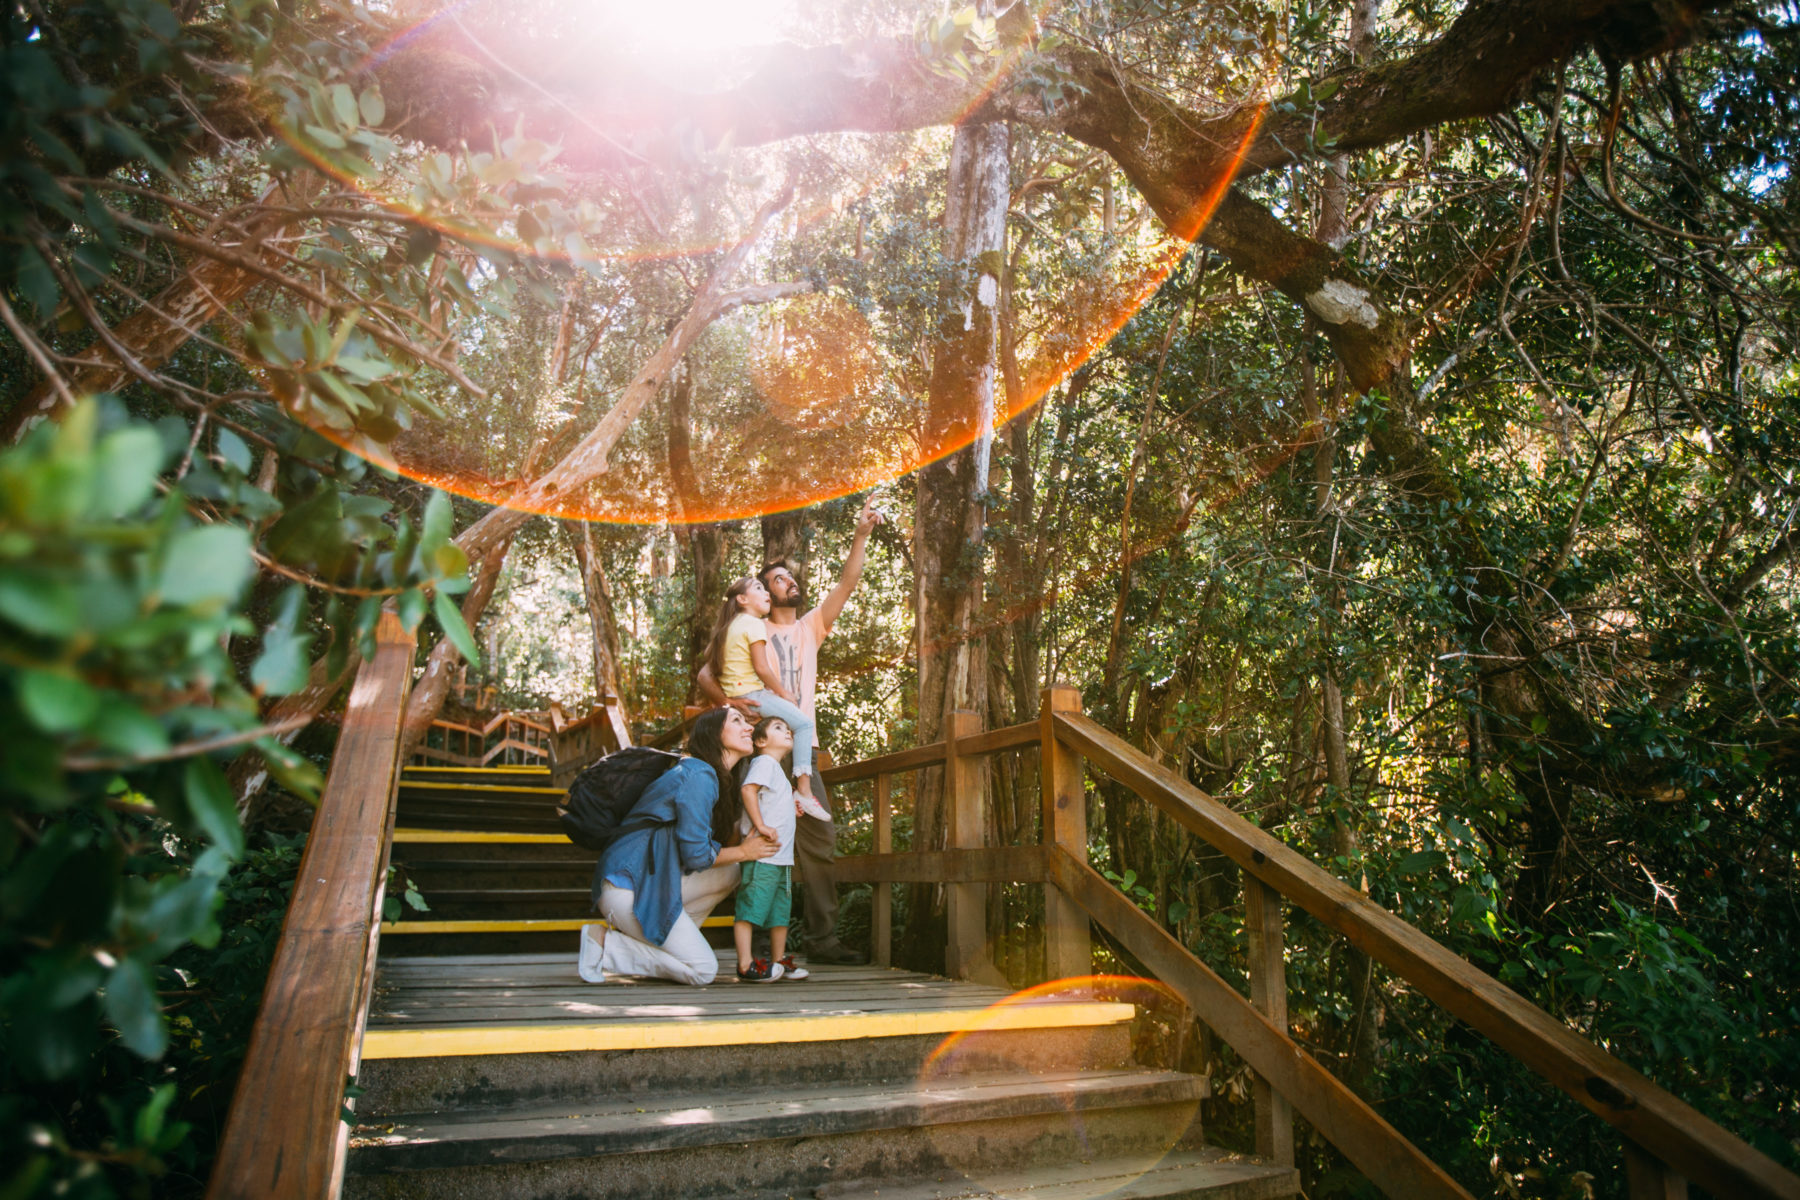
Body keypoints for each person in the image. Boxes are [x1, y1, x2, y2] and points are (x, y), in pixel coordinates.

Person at [697, 496, 883, 966]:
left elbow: (848, 582)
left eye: (791, 577)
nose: (789, 582)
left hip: (803, 749)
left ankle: (822, 939)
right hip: (756, 752)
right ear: (762, 591)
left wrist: (861, 534)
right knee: (754, 835)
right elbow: (704, 675)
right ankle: (755, 942)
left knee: (820, 842)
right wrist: (729, 705)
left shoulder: (809, 628)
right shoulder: (745, 629)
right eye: (778, 579)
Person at [579, 707, 777, 986]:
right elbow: (696, 855)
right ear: (713, 734)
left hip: (651, 882)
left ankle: (670, 944)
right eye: (737, 721)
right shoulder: (699, 774)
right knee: (703, 971)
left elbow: (703, 846)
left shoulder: (707, 776)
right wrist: (746, 851)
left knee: (731, 872)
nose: (749, 728)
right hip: (628, 886)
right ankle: (607, 947)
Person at [702, 575, 820, 802]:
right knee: (804, 724)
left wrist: (728, 700)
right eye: (759, 588)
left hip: (738, 696)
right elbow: (762, 667)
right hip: (754, 695)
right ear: (742, 599)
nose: (766, 593)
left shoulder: (728, 627)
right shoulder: (754, 624)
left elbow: (711, 667)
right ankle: (804, 790)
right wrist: (784, 693)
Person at [731, 716, 829, 982]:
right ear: (761, 741)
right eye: (778, 728)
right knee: (750, 909)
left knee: (779, 914)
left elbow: (769, 800)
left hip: (780, 857)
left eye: (788, 729)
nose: (787, 732)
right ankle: (744, 963)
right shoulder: (763, 763)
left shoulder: (777, 771)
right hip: (762, 856)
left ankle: (778, 961)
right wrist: (760, 825)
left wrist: (791, 808)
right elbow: (748, 790)